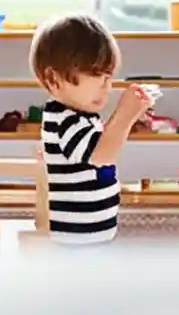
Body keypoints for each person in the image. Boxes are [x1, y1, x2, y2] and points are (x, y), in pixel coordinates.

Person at [32, 13, 152, 246]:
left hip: (89, 236)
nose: (106, 86)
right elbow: (101, 154)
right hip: (73, 240)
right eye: (97, 75)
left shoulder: (81, 117)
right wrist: (125, 115)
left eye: (109, 78)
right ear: (53, 78)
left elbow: (96, 149)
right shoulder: (66, 120)